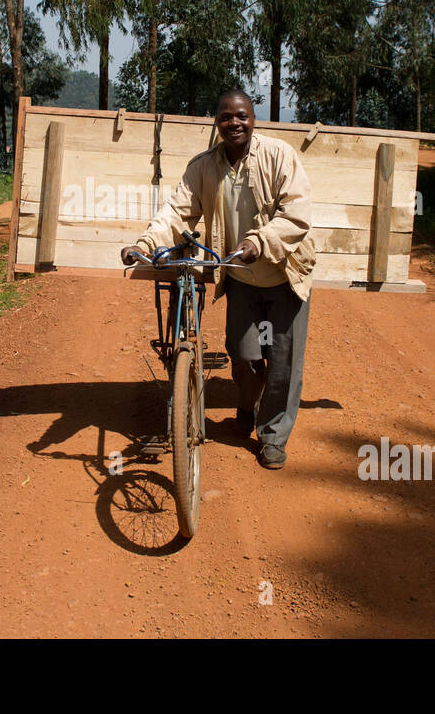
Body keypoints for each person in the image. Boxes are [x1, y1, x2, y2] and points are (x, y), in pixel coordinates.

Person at [120, 89, 316, 469]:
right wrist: (144, 243)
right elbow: (176, 213)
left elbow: (298, 213)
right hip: (240, 276)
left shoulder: (279, 156)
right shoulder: (204, 167)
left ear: (253, 118)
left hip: (284, 275)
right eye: (226, 117)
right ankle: (249, 404)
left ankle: (273, 436)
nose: (234, 123)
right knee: (244, 358)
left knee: (282, 363)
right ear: (217, 122)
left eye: (241, 116)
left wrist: (261, 241)